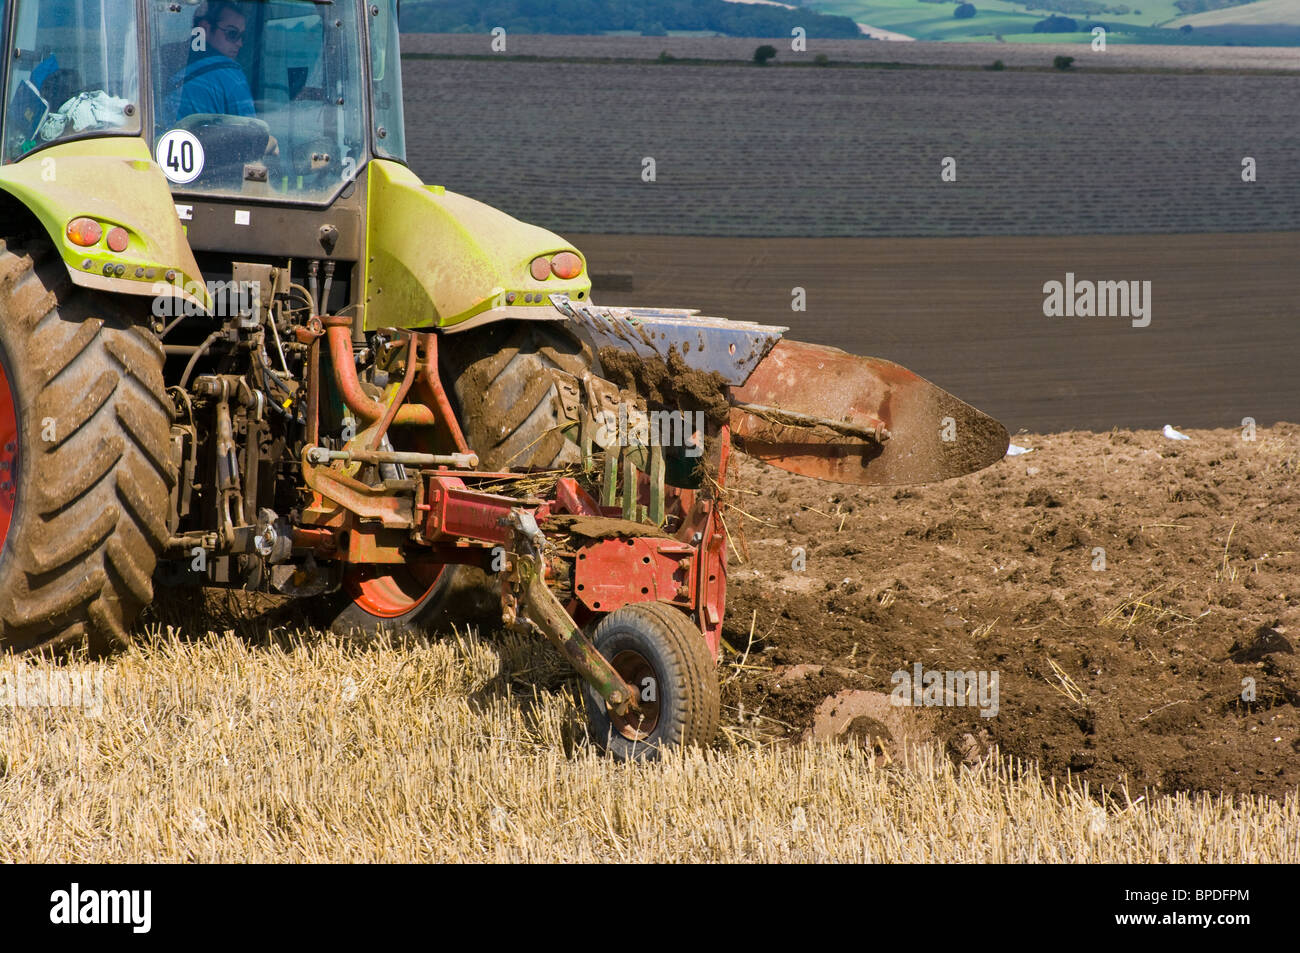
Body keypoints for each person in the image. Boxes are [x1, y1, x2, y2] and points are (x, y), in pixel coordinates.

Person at [167, 1, 256, 122]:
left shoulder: (165, 59)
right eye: (232, 33)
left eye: (242, 36)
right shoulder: (230, 76)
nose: (239, 43)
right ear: (205, 29)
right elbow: (250, 132)